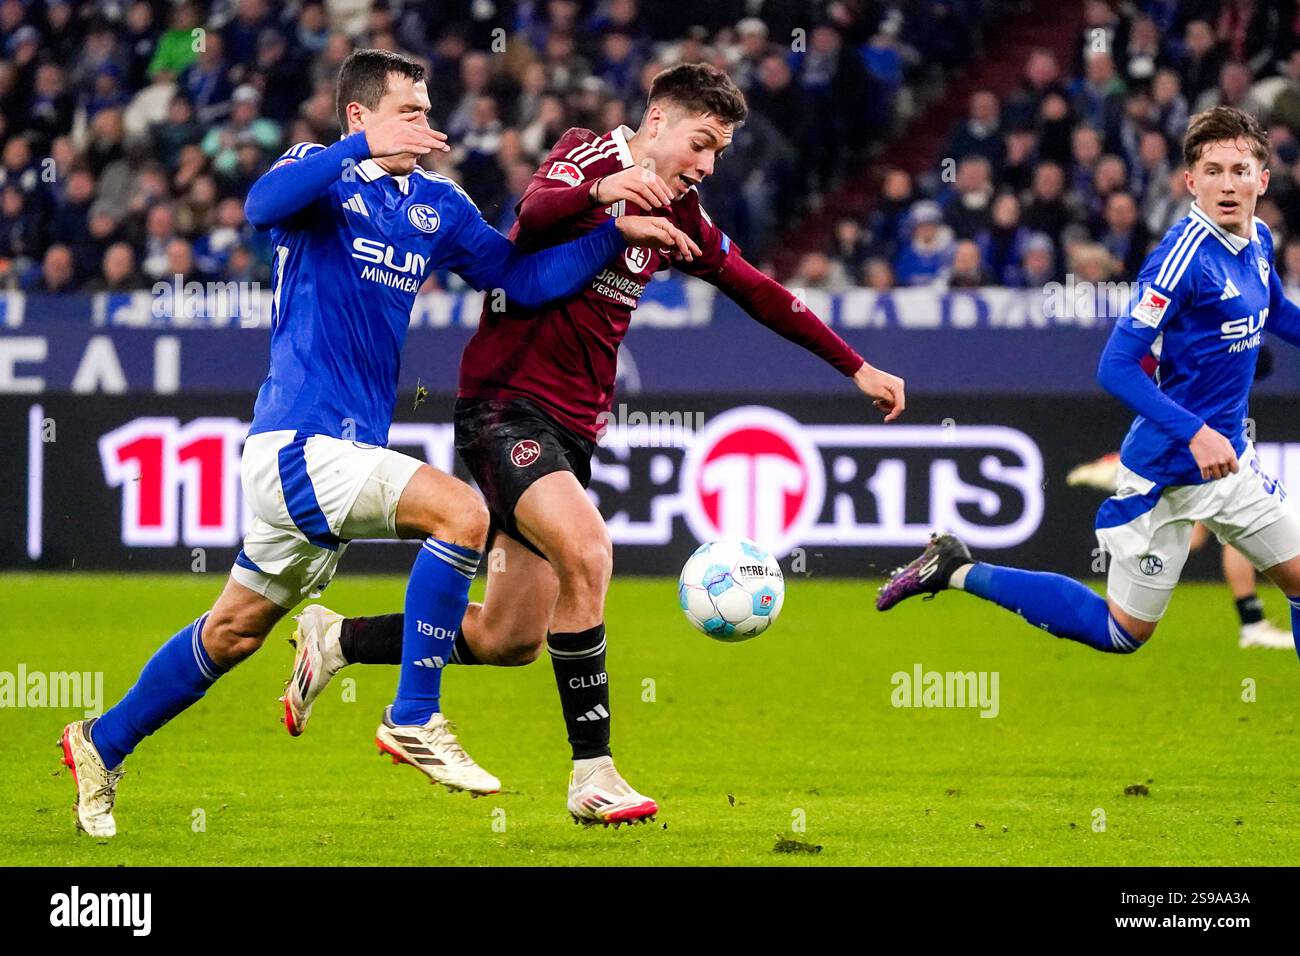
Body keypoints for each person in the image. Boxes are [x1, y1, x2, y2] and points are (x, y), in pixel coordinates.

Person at [57, 48, 698, 839]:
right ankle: (414, 716)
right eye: (411, 111)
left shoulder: (439, 204)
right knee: (462, 513)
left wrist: (612, 236)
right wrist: (357, 151)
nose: (429, 125)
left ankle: (100, 741)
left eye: (429, 110)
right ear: (360, 115)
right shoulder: (322, 173)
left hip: (338, 458)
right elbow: (261, 204)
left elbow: (519, 280)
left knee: (234, 633)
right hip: (295, 440)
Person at [281, 63, 907, 827]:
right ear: (656, 123)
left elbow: (759, 290)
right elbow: (535, 212)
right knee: (591, 552)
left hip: (572, 430)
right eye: (701, 144)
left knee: (510, 638)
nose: (707, 165)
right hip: (505, 411)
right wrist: (608, 194)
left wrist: (857, 364)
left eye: (719, 153)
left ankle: (337, 639)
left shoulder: (688, 217)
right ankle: (593, 774)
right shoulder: (588, 155)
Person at [877, 106, 1300, 667]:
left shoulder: (1258, 240)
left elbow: (1274, 310)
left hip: (1230, 462)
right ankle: (956, 568)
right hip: (1168, 473)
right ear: (1190, 181)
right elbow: (1116, 366)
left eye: (1240, 170)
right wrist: (1195, 432)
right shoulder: (1179, 261)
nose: (1229, 184)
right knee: (1121, 633)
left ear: (1262, 179)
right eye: (1214, 170)